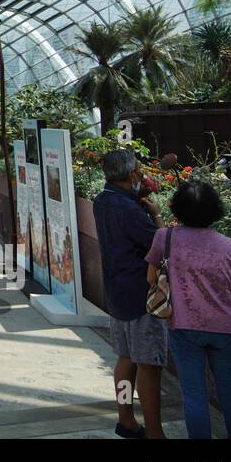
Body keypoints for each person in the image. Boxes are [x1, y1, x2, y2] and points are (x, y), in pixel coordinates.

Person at [146, 182, 231, 439]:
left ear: (178, 209)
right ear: (215, 209)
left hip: (185, 327)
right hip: (226, 328)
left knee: (194, 397)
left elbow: (151, 277)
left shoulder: (164, 238)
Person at [92, 149, 166, 439]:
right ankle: (156, 434)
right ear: (132, 174)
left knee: (125, 358)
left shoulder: (102, 200)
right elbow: (158, 245)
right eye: (138, 171)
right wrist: (157, 215)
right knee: (148, 365)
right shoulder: (128, 209)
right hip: (141, 295)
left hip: (116, 292)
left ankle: (126, 419)